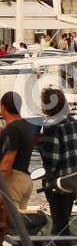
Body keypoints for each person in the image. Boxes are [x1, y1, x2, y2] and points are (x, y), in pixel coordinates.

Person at [32, 88, 77, 240]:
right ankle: (67, 245)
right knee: (65, 220)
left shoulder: (51, 127)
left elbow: (51, 161)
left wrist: (40, 145)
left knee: (59, 224)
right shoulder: (72, 122)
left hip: (58, 183)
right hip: (75, 179)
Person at [0, 91, 37, 236]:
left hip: (13, 181)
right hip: (26, 180)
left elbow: (7, 163)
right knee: (21, 228)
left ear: (3, 107)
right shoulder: (27, 126)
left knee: (9, 225)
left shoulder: (12, 129)